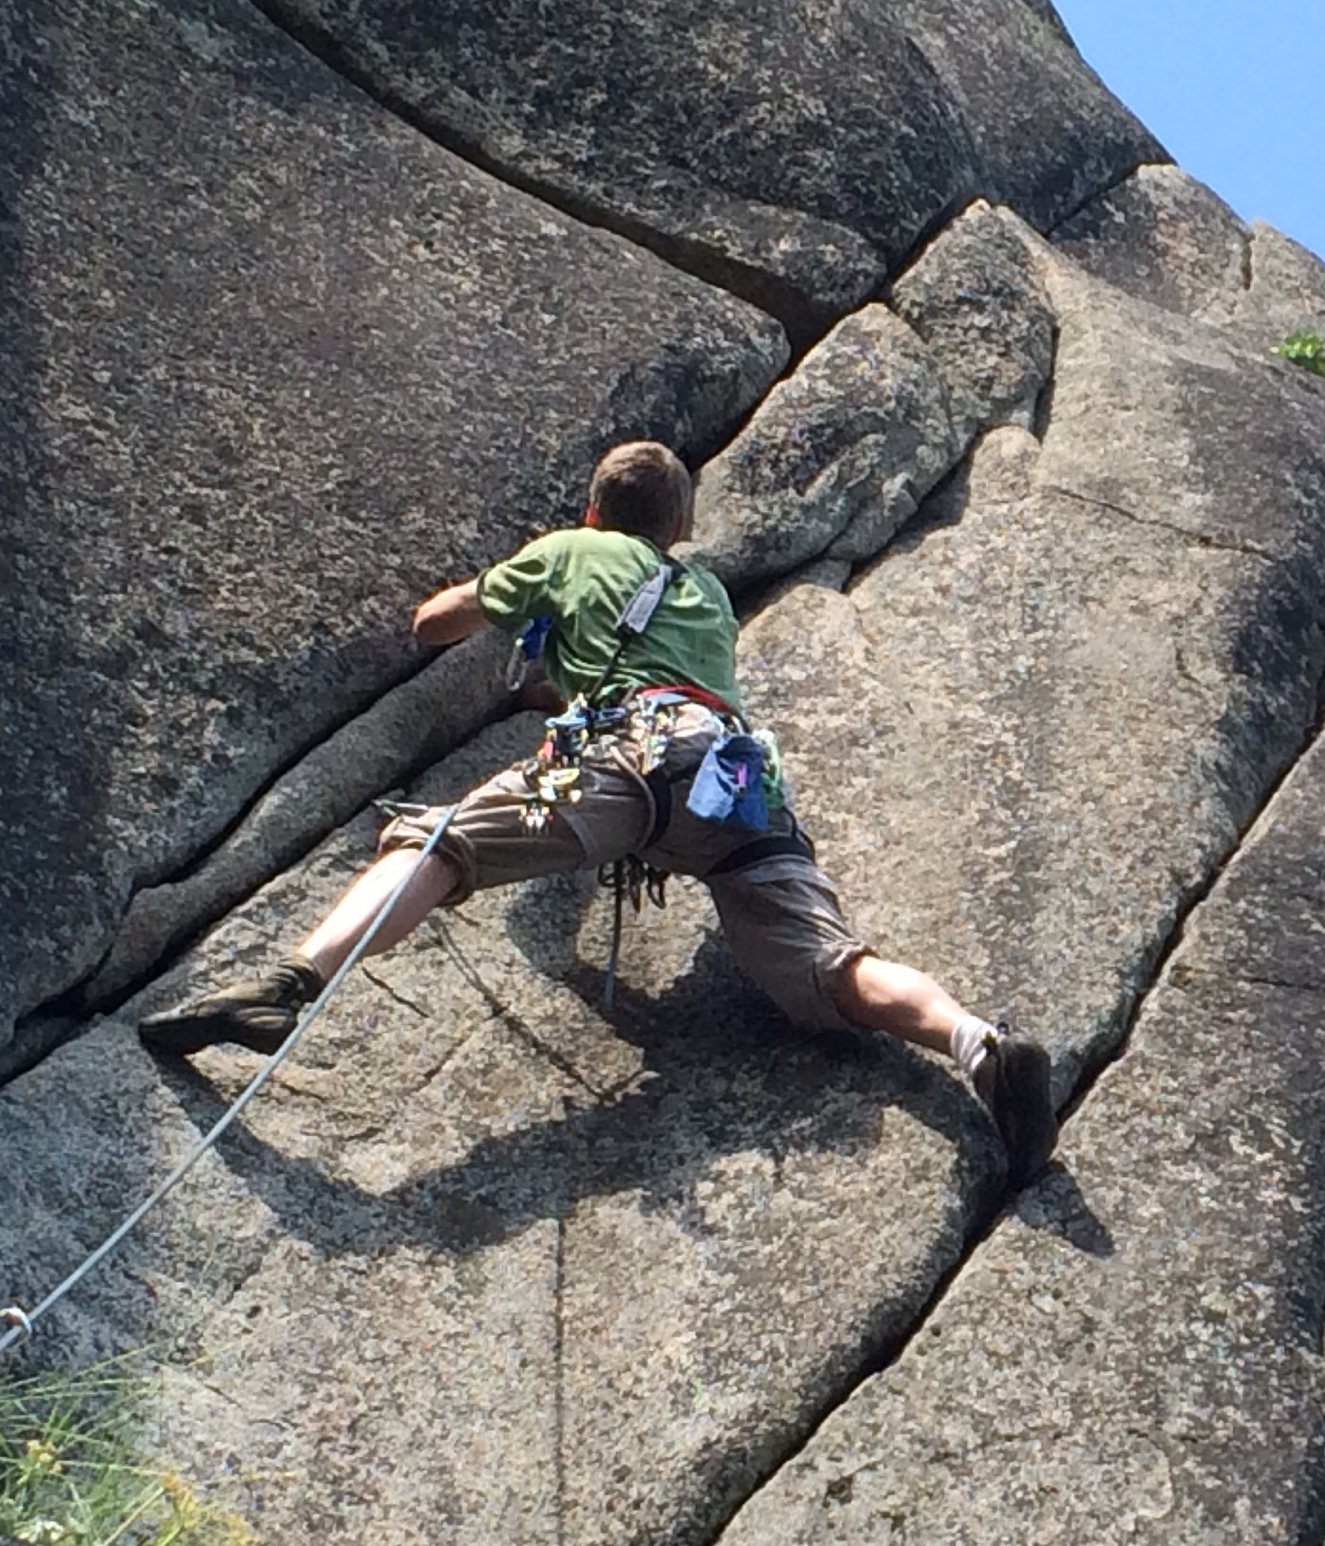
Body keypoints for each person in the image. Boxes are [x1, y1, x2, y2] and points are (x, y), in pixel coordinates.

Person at [139, 440, 1058, 1185]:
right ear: (682, 528)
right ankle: (979, 1046)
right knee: (826, 964)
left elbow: (436, 623)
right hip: (730, 776)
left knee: (439, 844)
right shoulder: (703, 594)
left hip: (618, 752)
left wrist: (502, 602)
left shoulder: (571, 550)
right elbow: (643, 662)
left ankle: (294, 984)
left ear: (593, 513)